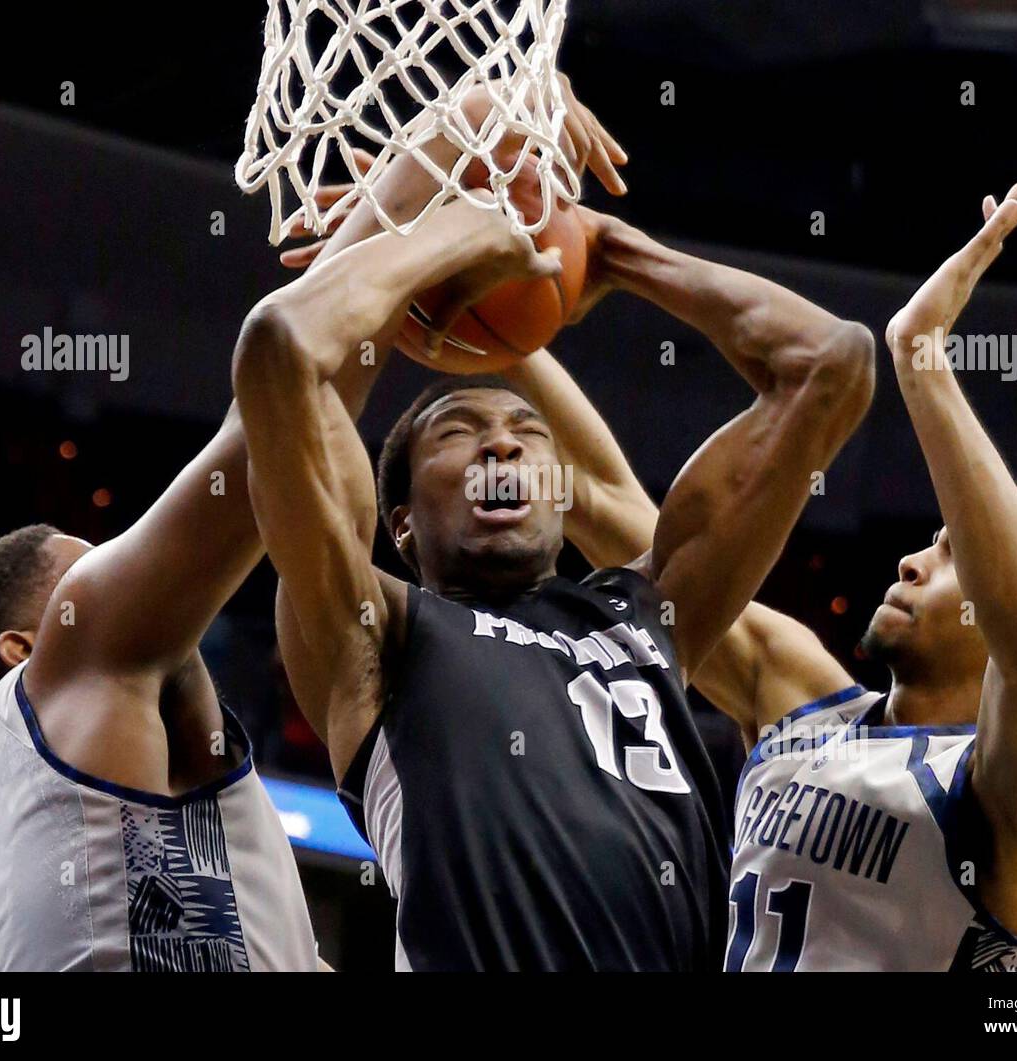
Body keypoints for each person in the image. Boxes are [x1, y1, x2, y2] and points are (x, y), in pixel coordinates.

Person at [234, 103, 875, 967]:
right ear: (400, 524)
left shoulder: (649, 611)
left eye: (528, 434)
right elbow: (281, 348)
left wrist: (608, 249)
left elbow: (831, 364)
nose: (502, 439)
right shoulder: (373, 632)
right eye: (459, 431)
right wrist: (440, 231)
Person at [510, 183, 1017, 971]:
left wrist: (922, 357)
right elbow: (605, 504)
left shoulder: (1012, 785)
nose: (910, 561)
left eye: (950, 556)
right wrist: (503, 319)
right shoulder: (800, 696)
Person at [0, 404, 335, 971]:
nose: (133, 576)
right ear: (23, 652)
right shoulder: (54, 694)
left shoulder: (37, 853)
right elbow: (268, 422)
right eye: (92, 577)